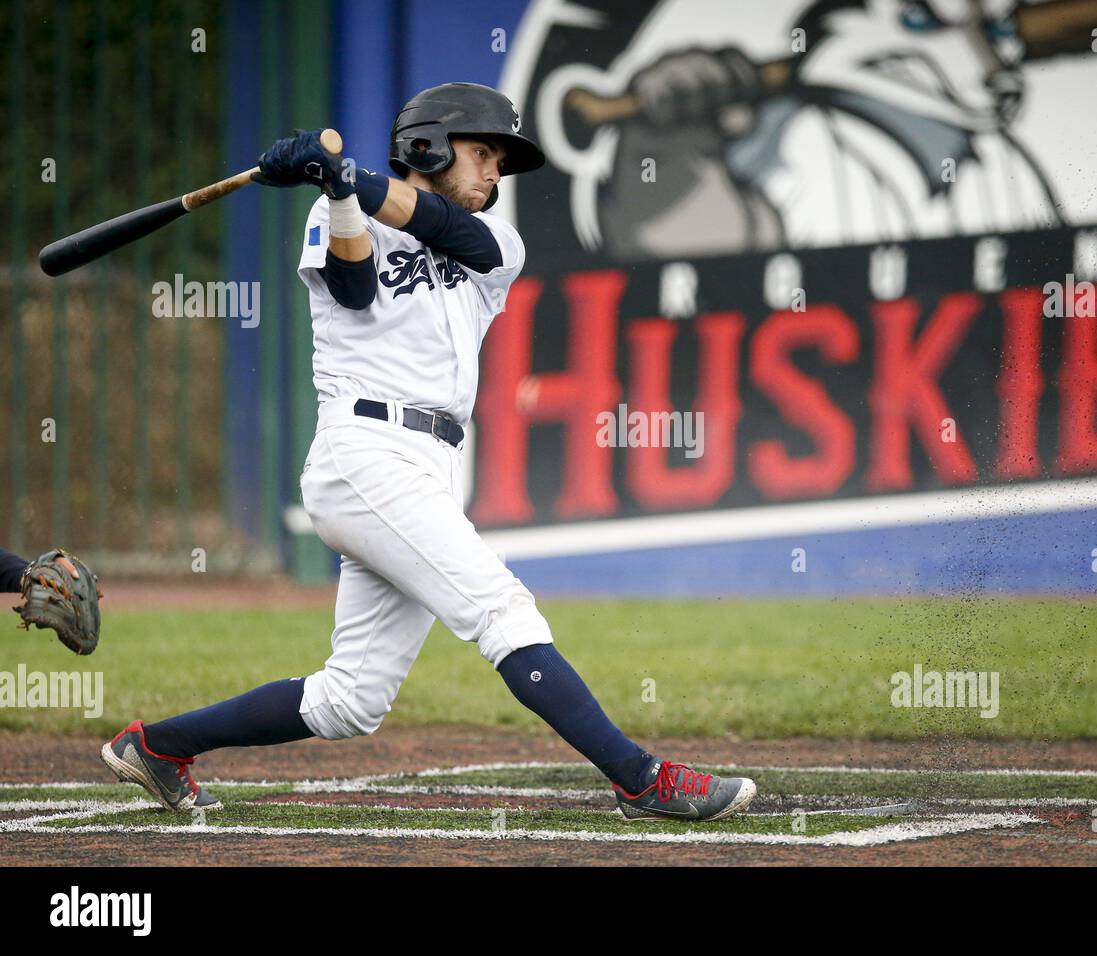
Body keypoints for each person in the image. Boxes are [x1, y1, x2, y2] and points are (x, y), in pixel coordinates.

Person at [100, 83, 757, 823]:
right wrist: (338, 190)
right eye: (483, 153)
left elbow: (448, 226)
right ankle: (641, 779)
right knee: (502, 610)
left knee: (350, 701)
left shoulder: (496, 243)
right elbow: (351, 288)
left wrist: (345, 175)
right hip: (364, 451)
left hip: (429, 465)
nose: (494, 173)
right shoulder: (335, 215)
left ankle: (155, 745)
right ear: (429, 146)